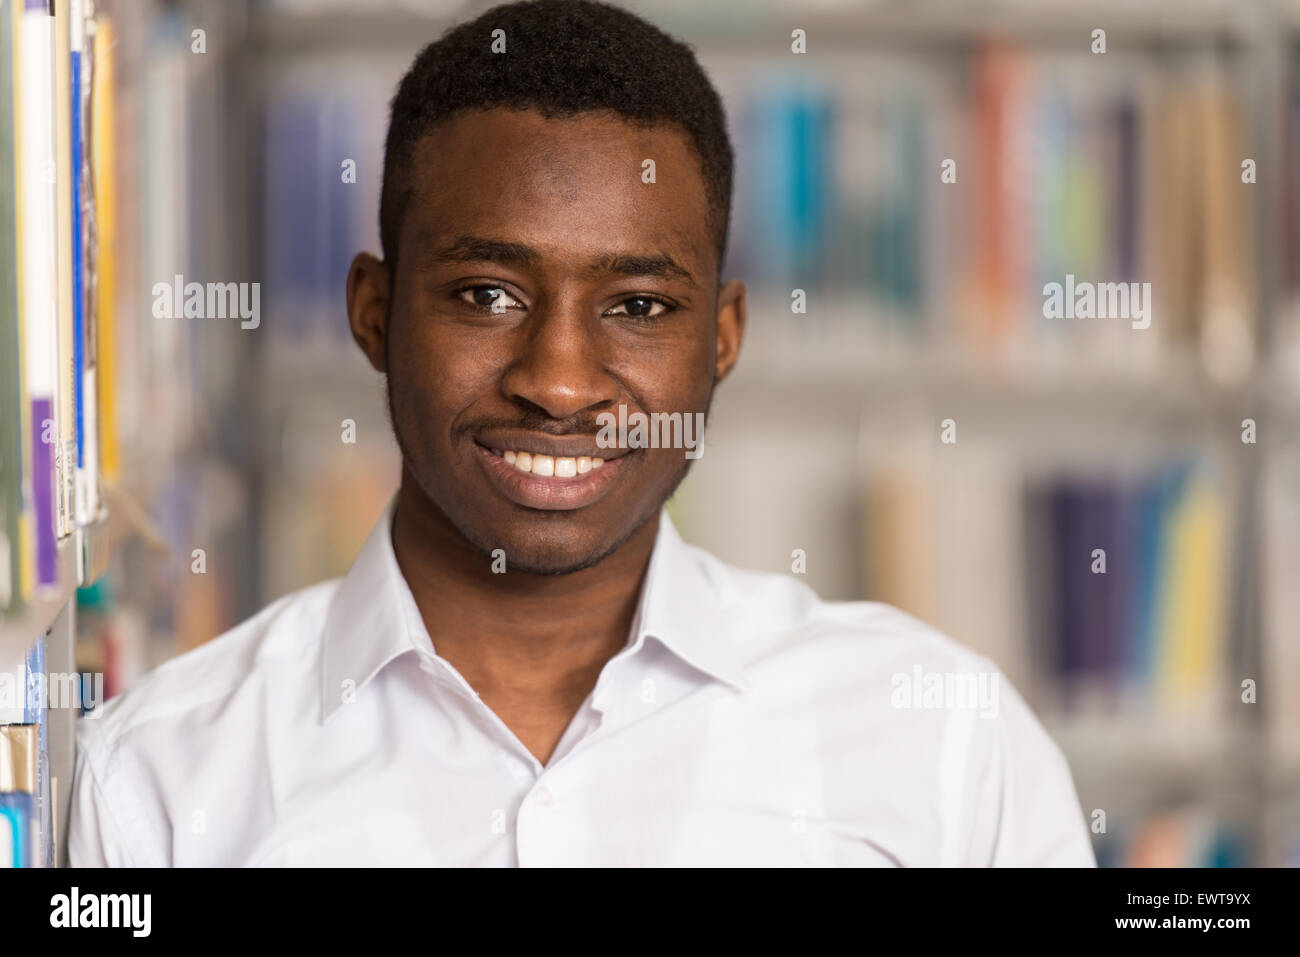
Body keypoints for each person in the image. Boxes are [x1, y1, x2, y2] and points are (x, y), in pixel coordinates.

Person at [69, 0, 1094, 866]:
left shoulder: (946, 744)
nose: (558, 383)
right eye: (486, 293)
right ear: (373, 314)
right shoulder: (158, 782)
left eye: (639, 307)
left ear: (722, 339)